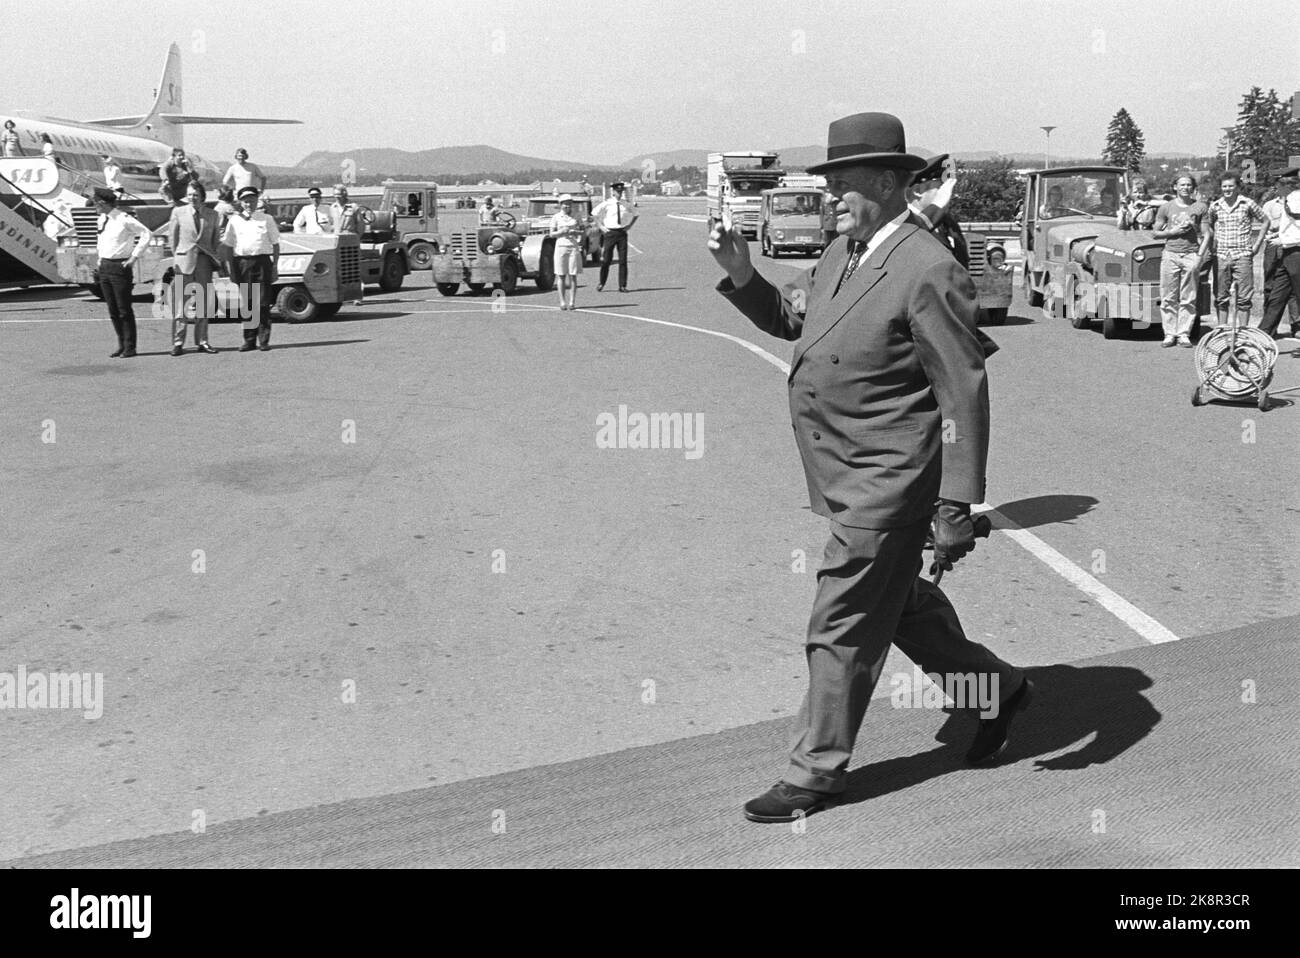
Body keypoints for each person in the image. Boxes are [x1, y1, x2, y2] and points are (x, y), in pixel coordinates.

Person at [708, 112, 1030, 824]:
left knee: (842, 621)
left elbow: (962, 388)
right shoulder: (840, 254)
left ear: (887, 182)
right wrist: (742, 273)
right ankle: (996, 690)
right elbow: (798, 325)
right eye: (830, 185)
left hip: (891, 477)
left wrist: (956, 502)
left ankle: (815, 771)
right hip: (842, 472)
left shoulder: (925, 266)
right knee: (898, 606)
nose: (832, 198)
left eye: (844, 185)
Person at [90, 187, 150, 358]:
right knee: (112, 309)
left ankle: (130, 346)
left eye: (96, 203)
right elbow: (102, 242)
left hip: (119, 267)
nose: (95, 207)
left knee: (124, 309)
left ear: (102, 203)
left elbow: (146, 234)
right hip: (105, 267)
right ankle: (121, 344)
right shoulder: (102, 219)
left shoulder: (123, 219)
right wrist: (100, 261)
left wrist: (134, 258)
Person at [1152, 174, 1211, 347]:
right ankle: (1169, 333)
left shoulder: (1200, 207)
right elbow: (1155, 233)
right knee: (1168, 296)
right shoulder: (1166, 207)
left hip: (1191, 254)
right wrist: (1174, 231)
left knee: (1188, 296)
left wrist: (1200, 255)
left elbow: (1206, 233)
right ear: (1175, 187)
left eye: (1188, 185)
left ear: (1193, 188)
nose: (1185, 187)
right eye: (1182, 185)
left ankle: (1183, 333)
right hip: (1171, 254)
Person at [166, 181, 223, 356]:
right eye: (190, 194)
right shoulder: (178, 212)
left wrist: (213, 258)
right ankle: (178, 342)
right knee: (180, 305)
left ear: (202, 196)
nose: (192, 197)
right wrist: (177, 259)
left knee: (203, 304)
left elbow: (214, 241)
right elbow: (172, 238)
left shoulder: (212, 215)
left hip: (204, 263)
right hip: (184, 262)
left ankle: (203, 341)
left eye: (196, 195)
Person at [221, 185, 280, 352]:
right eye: (246, 201)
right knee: (248, 303)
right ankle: (249, 340)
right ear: (241, 202)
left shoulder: (266, 219)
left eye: (252, 200)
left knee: (262, 302)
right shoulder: (234, 220)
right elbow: (228, 246)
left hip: (262, 263)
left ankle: (264, 340)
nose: (249, 204)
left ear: (257, 201)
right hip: (242, 264)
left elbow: (275, 244)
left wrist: (275, 266)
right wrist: (230, 268)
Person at [1207, 171, 1267, 330]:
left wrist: (1258, 244)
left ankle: (1243, 331)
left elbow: (1265, 221)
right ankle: (1221, 329)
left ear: (1237, 187)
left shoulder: (1247, 203)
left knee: (1244, 297)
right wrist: (1212, 245)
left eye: (1231, 186)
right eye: (1224, 186)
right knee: (1221, 296)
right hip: (1221, 255)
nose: (1227, 189)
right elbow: (1209, 226)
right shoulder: (1215, 206)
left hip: (1242, 255)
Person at [1261, 167, 1300, 339]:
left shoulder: (1295, 199)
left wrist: (1282, 240)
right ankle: (1262, 333)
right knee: (1277, 295)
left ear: (1287, 184)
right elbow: (1291, 226)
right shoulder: (1290, 199)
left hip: (1296, 253)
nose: (1276, 187)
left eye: (1278, 183)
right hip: (1288, 253)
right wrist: (1280, 235)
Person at [592, 181, 637, 291]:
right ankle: (602, 282)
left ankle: (622, 285)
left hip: (621, 233)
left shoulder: (625, 203)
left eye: (621, 191)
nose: (620, 193)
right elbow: (594, 213)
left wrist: (629, 225)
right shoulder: (607, 203)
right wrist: (601, 227)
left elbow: (636, 214)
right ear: (613, 192)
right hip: (610, 233)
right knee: (606, 260)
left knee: (623, 260)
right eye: (618, 191)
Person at [548, 194, 583, 310]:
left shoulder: (576, 216)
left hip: (573, 246)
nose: (567, 206)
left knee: (572, 275)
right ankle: (562, 302)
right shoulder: (556, 217)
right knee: (561, 275)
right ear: (560, 205)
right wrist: (561, 231)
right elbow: (551, 234)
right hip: (561, 246)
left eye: (569, 203)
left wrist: (575, 232)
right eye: (564, 203)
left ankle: (572, 301)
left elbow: (583, 231)